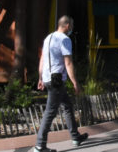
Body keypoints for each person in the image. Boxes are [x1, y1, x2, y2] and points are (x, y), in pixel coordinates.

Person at [33, 16, 88, 152]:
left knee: (67, 105)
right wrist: (75, 83)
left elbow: (42, 59)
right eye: (72, 25)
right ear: (67, 25)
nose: (73, 28)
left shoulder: (48, 38)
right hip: (56, 79)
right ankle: (40, 145)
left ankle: (75, 136)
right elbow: (68, 63)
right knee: (50, 111)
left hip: (48, 78)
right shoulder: (64, 39)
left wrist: (40, 78)